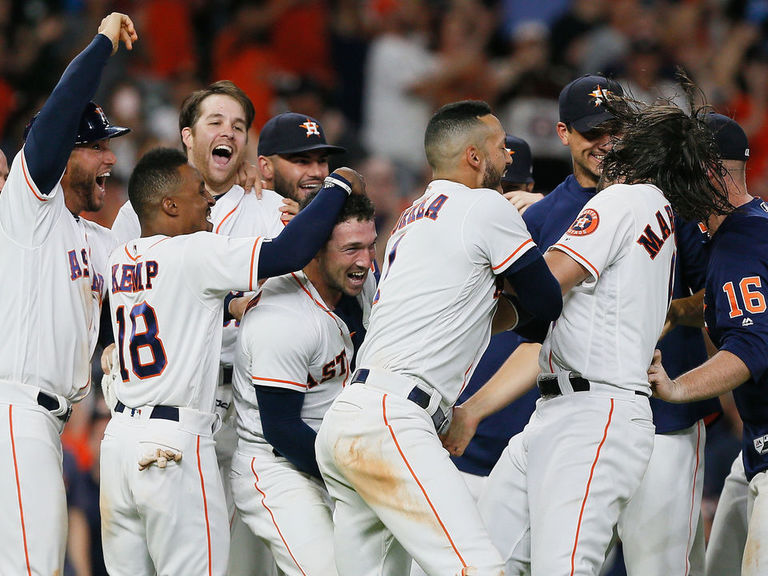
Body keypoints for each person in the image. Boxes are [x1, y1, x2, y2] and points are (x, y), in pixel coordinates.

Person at [445, 75, 721, 576]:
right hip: (565, 407)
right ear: (565, 133)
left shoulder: (621, 202)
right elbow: (536, 328)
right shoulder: (647, 202)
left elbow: (546, 284)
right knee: (488, 557)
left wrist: (493, 235)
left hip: (609, 410)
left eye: (618, 132)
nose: (607, 143)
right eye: (595, 132)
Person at [316, 100, 563, 576]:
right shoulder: (485, 205)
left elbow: (465, 311)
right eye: (498, 146)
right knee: (478, 568)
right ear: (473, 156)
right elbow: (548, 302)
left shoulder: (411, 217)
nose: (508, 156)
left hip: (351, 417)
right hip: (395, 420)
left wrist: (497, 308)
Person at [99, 146, 365, 576]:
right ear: (169, 205)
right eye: (198, 191)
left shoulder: (120, 259)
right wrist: (339, 185)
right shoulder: (193, 251)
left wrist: (226, 306)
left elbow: (172, 306)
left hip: (118, 446)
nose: (210, 199)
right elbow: (287, 254)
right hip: (174, 445)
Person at [0, 13, 136, 575]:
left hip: (45, 424)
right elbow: (55, 119)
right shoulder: (29, 209)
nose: (110, 158)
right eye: (96, 147)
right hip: (17, 410)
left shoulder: (92, 237)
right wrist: (102, 43)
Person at [231, 192, 377, 576]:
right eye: (351, 249)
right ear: (313, 250)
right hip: (280, 467)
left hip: (329, 457)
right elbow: (281, 429)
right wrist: (356, 473)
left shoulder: (353, 286)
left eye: (370, 246)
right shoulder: (283, 317)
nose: (364, 261)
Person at [649, 113, 767, 576]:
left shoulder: (740, 242)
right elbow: (729, 302)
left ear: (711, 173)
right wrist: (680, 311)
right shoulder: (742, 226)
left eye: (683, 168)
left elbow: (750, 347)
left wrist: (676, 388)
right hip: (754, 446)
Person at [256, 111, 346, 203]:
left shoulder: (336, 211)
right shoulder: (246, 212)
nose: (317, 173)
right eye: (302, 161)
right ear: (266, 166)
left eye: (322, 161)